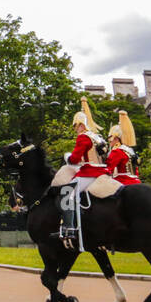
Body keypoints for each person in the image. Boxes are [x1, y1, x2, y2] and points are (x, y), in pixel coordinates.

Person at [51, 98, 110, 248]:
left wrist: (68, 157)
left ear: (80, 125)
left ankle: (69, 228)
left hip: (90, 173)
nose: (75, 130)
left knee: (66, 192)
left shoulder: (84, 137)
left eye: (75, 127)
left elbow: (75, 158)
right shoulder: (98, 137)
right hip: (103, 172)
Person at [106, 111, 141, 186]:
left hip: (123, 182)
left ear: (116, 138)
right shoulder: (130, 151)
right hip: (136, 181)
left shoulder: (117, 151)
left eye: (110, 137)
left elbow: (109, 169)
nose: (109, 141)